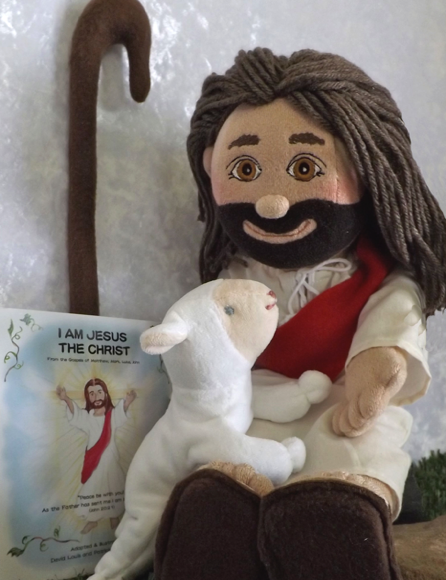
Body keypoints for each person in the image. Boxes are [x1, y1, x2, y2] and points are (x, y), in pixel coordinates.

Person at [153, 48, 446, 580]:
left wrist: (378, 364)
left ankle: (338, 517)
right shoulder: (233, 276)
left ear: (366, 167)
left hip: (344, 402)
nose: (272, 202)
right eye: (245, 169)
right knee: (233, 460)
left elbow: (394, 319)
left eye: (305, 167)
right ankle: (223, 517)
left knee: (355, 451)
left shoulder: (375, 274)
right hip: (258, 404)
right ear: (211, 167)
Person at [56, 378, 136, 534]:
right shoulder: (88, 417)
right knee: (93, 488)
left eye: (99, 392)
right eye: (92, 393)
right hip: (94, 462)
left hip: (111, 460)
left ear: (105, 394)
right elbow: (76, 414)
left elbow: (121, 411)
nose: (96, 396)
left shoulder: (112, 415)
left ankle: (114, 518)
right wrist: (65, 399)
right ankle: (92, 520)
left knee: (113, 486)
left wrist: (128, 401)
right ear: (88, 397)